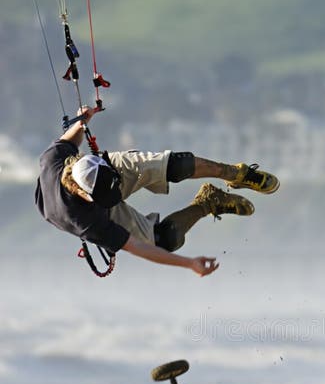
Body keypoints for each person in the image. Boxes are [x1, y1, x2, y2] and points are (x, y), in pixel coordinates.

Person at [35, 106, 280, 277]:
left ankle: (236, 174)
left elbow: (71, 138)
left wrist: (83, 120)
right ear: (86, 195)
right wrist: (189, 264)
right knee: (164, 240)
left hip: (95, 178)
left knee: (176, 164)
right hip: (95, 211)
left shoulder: (55, 158)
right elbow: (140, 248)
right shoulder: (87, 221)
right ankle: (208, 202)